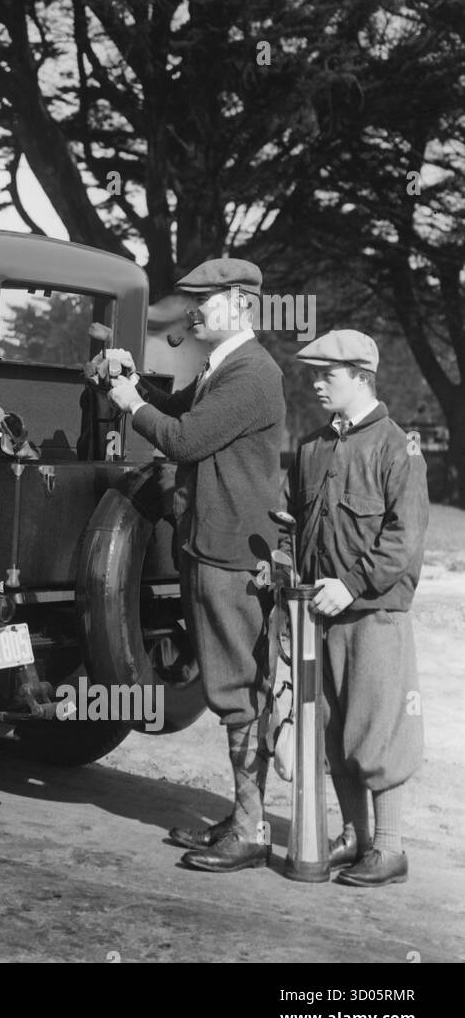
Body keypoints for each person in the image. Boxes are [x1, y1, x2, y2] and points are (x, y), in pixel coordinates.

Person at [105, 258, 285, 872]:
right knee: (231, 686)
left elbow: (183, 439)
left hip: (231, 554)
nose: (193, 311)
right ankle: (244, 817)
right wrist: (133, 383)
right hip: (213, 545)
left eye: (204, 301)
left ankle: (253, 830)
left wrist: (131, 406)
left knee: (238, 692)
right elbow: (177, 409)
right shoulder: (225, 366)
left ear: (239, 301)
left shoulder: (253, 374)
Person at [289, 330, 428, 886]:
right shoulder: (312, 447)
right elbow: (296, 524)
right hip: (319, 614)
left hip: (374, 613)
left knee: (379, 728)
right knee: (331, 730)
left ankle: (390, 849)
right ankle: (357, 837)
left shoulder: (399, 447)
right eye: (314, 375)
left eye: (328, 375)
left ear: (361, 378)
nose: (316, 384)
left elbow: (404, 538)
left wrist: (351, 584)